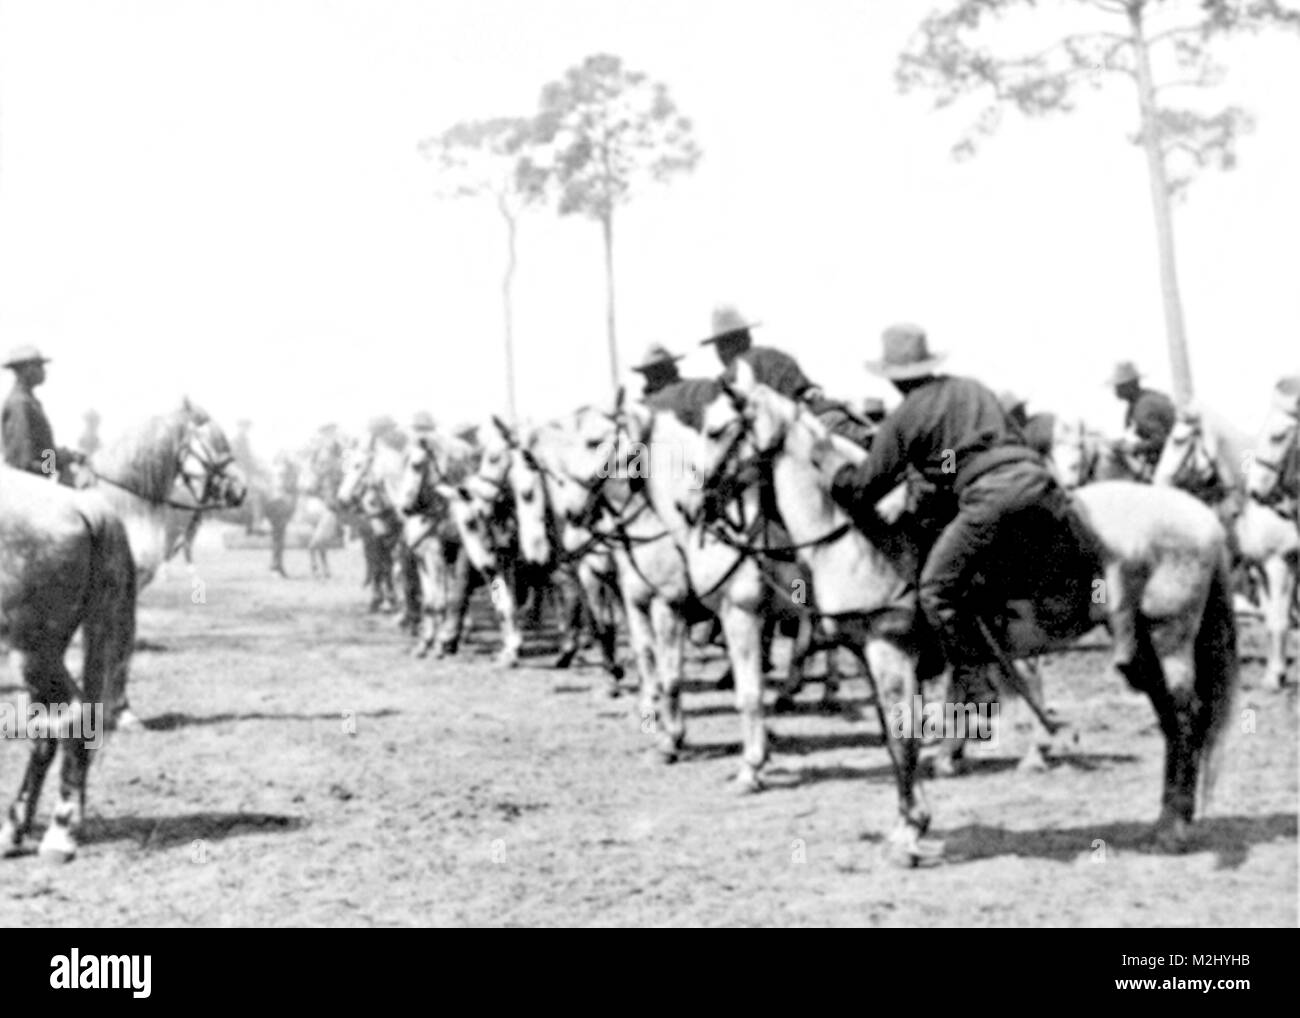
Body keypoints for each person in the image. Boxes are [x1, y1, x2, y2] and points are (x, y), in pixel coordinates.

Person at [829, 323, 1070, 670]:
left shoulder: (906, 415)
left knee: (934, 591)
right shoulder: (972, 389)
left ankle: (976, 678)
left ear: (892, 377)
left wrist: (832, 470)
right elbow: (964, 454)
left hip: (991, 497)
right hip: (1038, 481)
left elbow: (865, 488)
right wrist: (943, 472)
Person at [702, 305, 873, 445]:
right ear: (747, 336)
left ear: (725, 346)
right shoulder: (776, 354)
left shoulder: (729, 377)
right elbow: (808, 389)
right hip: (831, 417)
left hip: (803, 437)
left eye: (718, 346)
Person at [1, 344, 84, 484]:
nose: (43, 371)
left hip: (36, 484)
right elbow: (24, 463)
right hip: (28, 489)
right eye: (38, 366)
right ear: (26, 370)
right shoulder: (20, 404)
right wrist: (59, 462)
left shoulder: (29, 402)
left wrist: (66, 456)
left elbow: (42, 450)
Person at [1108, 361, 1175, 476]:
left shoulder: (1143, 408)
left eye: (1119, 386)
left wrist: (1134, 448)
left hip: (1166, 463)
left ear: (1129, 386)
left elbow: (1160, 439)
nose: (1115, 390)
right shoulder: (1140, 402)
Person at [999, 390, 1055, 458]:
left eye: (1021, 409)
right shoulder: (1009, 439)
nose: (1021, 413)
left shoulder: (1036, 426)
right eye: (1016, 412)